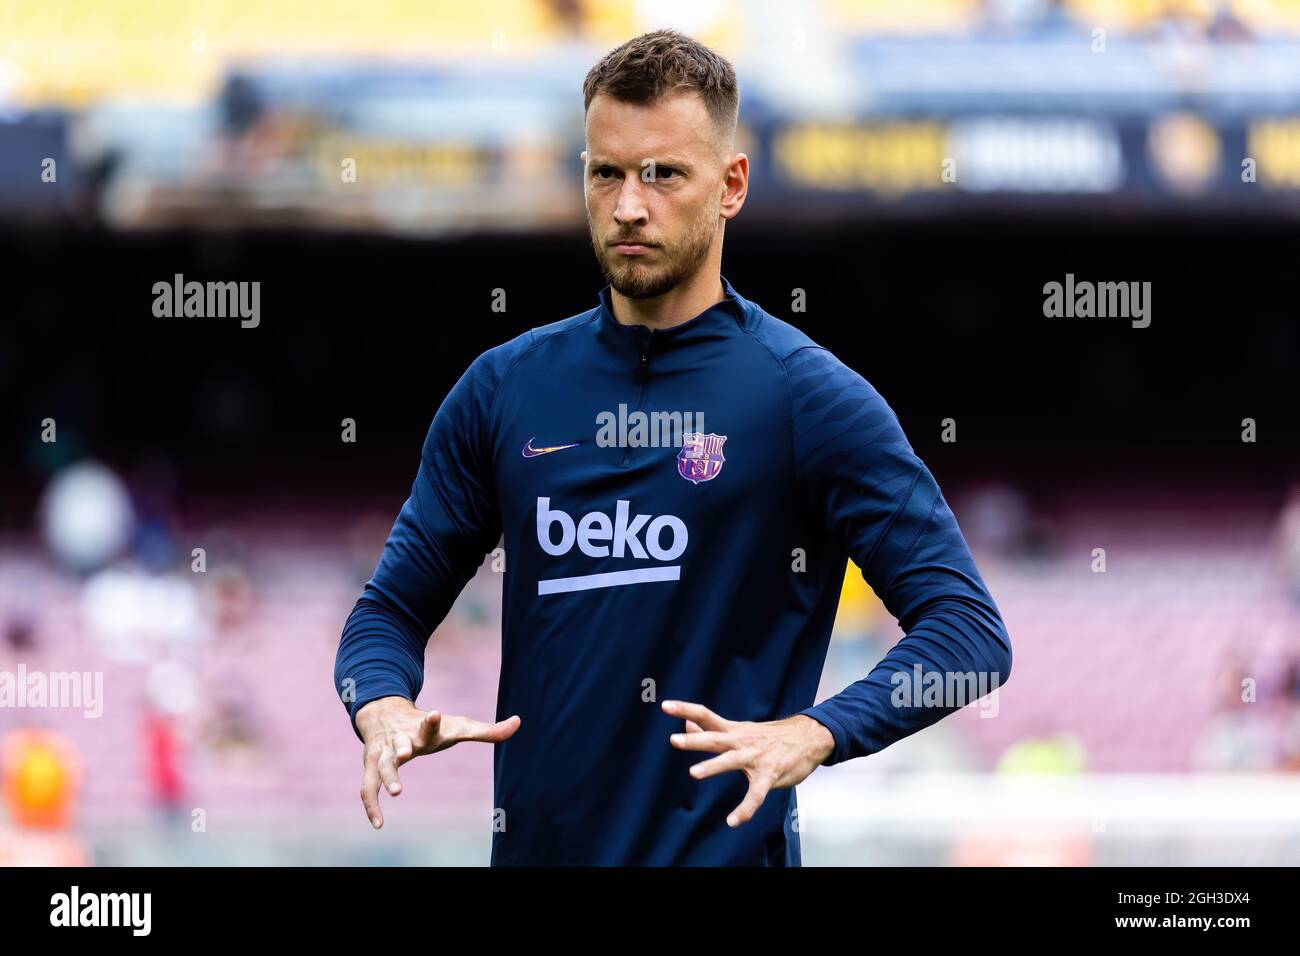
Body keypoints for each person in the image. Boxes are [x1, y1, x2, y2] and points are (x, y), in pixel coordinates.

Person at [334, 29, 1011, 865]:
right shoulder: (504, 390)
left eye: (662, 174)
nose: (627, 205)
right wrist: (383, 706)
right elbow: (386, 614)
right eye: (605, 172)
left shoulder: (807, 399)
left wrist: (817, 731)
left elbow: (969, 633)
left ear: (731, 185)